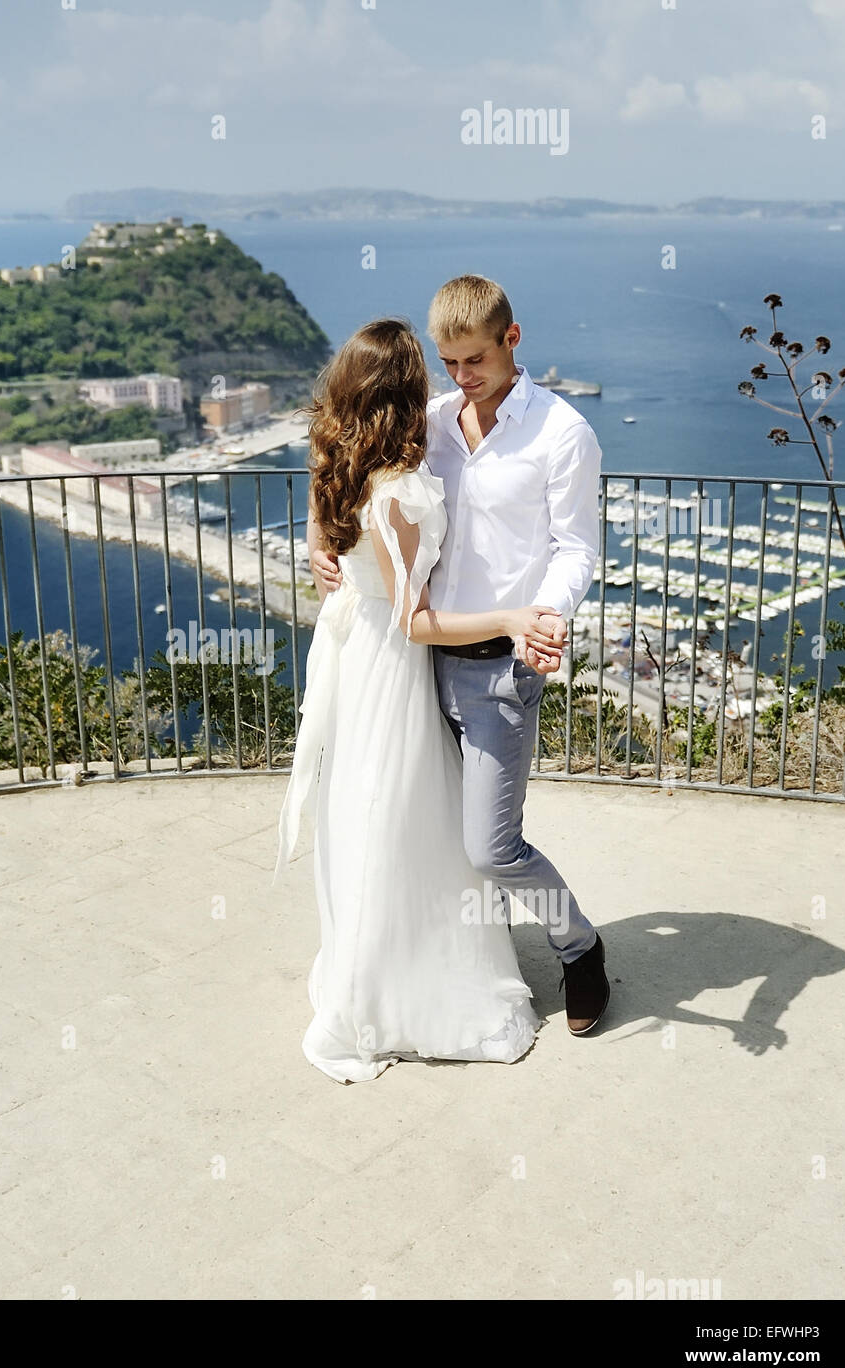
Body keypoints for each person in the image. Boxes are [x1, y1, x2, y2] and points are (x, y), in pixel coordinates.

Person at [309, 276, 610, 1040]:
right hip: (412, 666)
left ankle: (579, 948)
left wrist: (546, 615)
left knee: (490, 845)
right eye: (448, 363)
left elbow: (577, 549)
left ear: (513, 339)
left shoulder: (563, 433)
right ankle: (443, 968)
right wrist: (319, 545)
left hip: (501, 666)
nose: (462, 377)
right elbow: (348, 459)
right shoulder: (431, 423)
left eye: (474, 359)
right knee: (426, 835)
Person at [272, 317, 567, 1084]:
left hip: (353, 647)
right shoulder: (399, 488)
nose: (446, 383)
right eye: (431, 374)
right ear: (406, 393)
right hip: (396, 658)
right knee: (402, 814)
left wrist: (319, 553)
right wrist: (509, 617)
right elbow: (416, 619)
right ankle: (393, 984)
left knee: (365, 805)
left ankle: (364, 961)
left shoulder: (333, 452)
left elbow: (321, 528)